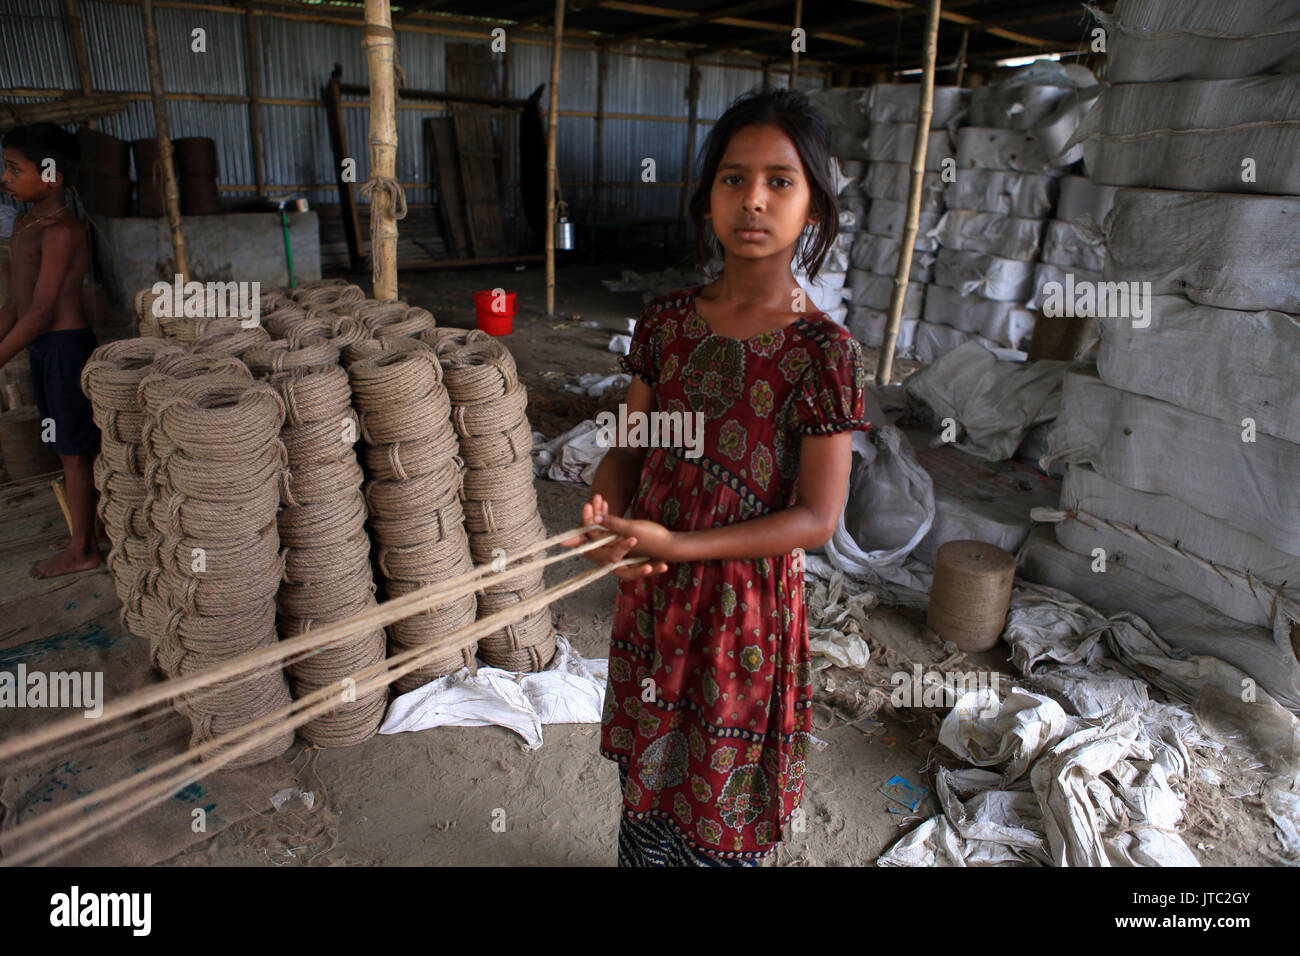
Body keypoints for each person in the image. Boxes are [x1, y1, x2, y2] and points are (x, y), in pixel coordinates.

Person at [562, 89, 871, 866]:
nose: (754, 200)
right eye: (733, 179)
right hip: (655, 589)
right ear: (707, 198)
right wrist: (607, 511)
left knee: (716, 794)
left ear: (815, 208)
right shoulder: (666, 323)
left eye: (780, 180)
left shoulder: (821, 354)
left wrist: (679, 542)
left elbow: (816, 518)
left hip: (745, 615)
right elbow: (629, 447)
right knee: (649, 783)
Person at [1, 123, 103, 578]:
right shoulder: (26, 224)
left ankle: (83, 548)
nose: (5, 177)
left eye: (13, 169)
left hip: (66, 349)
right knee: (61, 442)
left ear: (51, 175)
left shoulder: (62, 230)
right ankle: (87, 528)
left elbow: (41, 312)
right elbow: (16, 303)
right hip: (44, 348)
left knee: (73, 451)